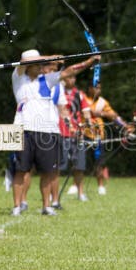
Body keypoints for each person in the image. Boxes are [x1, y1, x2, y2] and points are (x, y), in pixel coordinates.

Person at [11, 49, 99, 216]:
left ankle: (47, 206)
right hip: (24, 129)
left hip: (48, 131)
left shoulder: (48, 80)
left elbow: (70, 71)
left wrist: (89, 62)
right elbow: (25, 61)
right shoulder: (19, 78)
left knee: (48, 171)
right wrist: (50, 58)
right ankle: (17, 206)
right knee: (21, 170)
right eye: (37, 65)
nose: (40, 67)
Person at [82, 82, 134, 195]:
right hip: (83, 135)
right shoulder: (83, 98)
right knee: (80, 162)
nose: (98, 90)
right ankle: (76, 187)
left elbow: (113, 115)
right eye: (96, 88)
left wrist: (125, 126)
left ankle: (100, 186)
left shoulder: (102, 102)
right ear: (90, 88)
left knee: (99, 162)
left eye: (100, 88)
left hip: (98, 136)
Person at [55, 73, 92, 202]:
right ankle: (53, 194)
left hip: (78, 134)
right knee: (59, 165)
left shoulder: (79, 94)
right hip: (61, 133)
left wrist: (88, 122)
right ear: (64, 79)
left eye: (73, 77)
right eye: (69, 77)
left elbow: (86, 110)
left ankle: (81, 193)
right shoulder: (58, 92)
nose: (72, 79)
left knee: (79, 165)